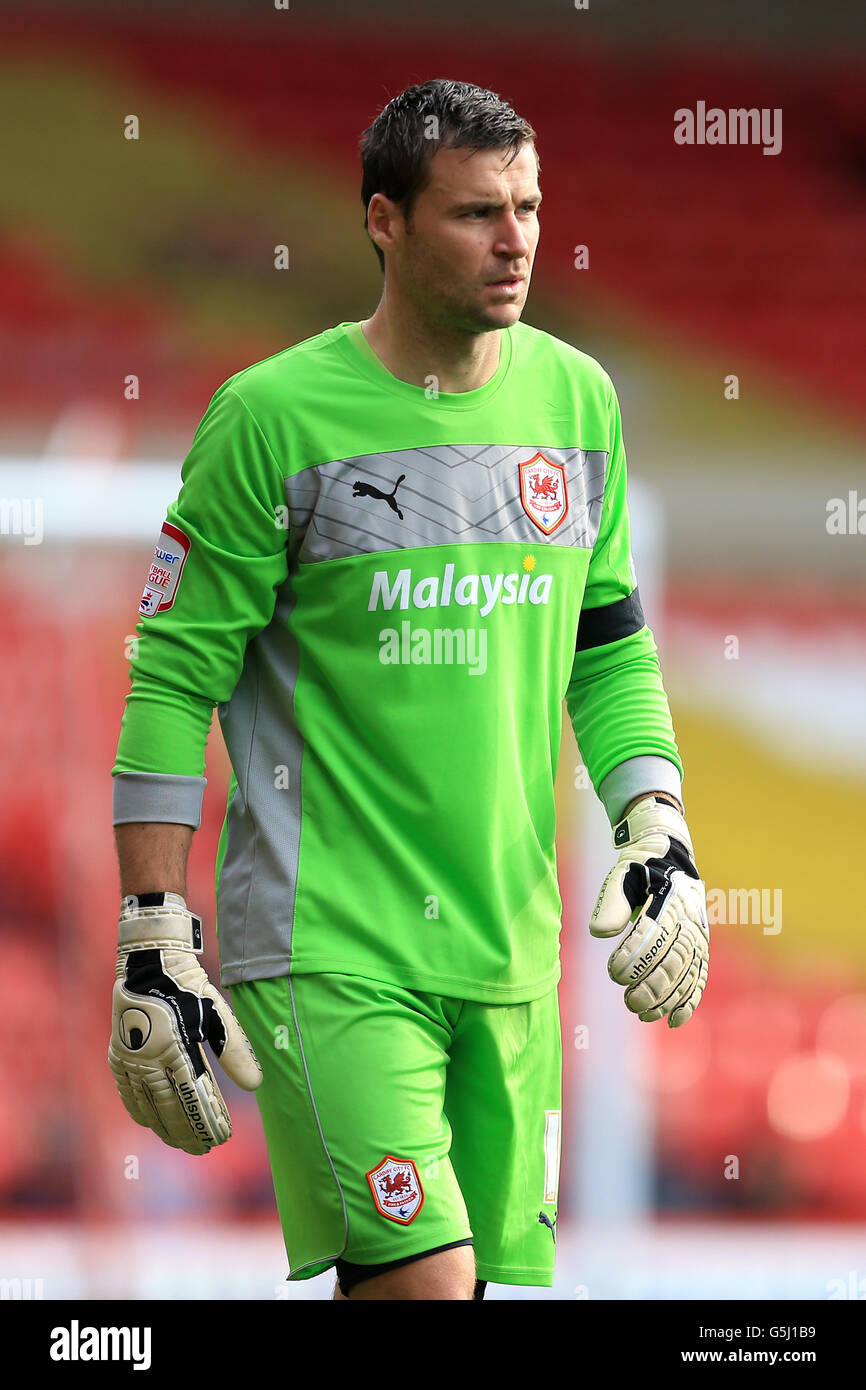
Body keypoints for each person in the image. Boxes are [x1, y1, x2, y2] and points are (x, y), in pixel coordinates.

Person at [108, 78, 709, 1302]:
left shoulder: (576, 402)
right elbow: (172, 675)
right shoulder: (271, 418)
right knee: (425, 1286)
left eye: (530, 207)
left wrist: (657, 820)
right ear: (383, 220)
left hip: (504, 947)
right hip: (328, 943)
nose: (517, 240)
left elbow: (606, 644)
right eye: (477, 212)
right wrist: (152, 927)